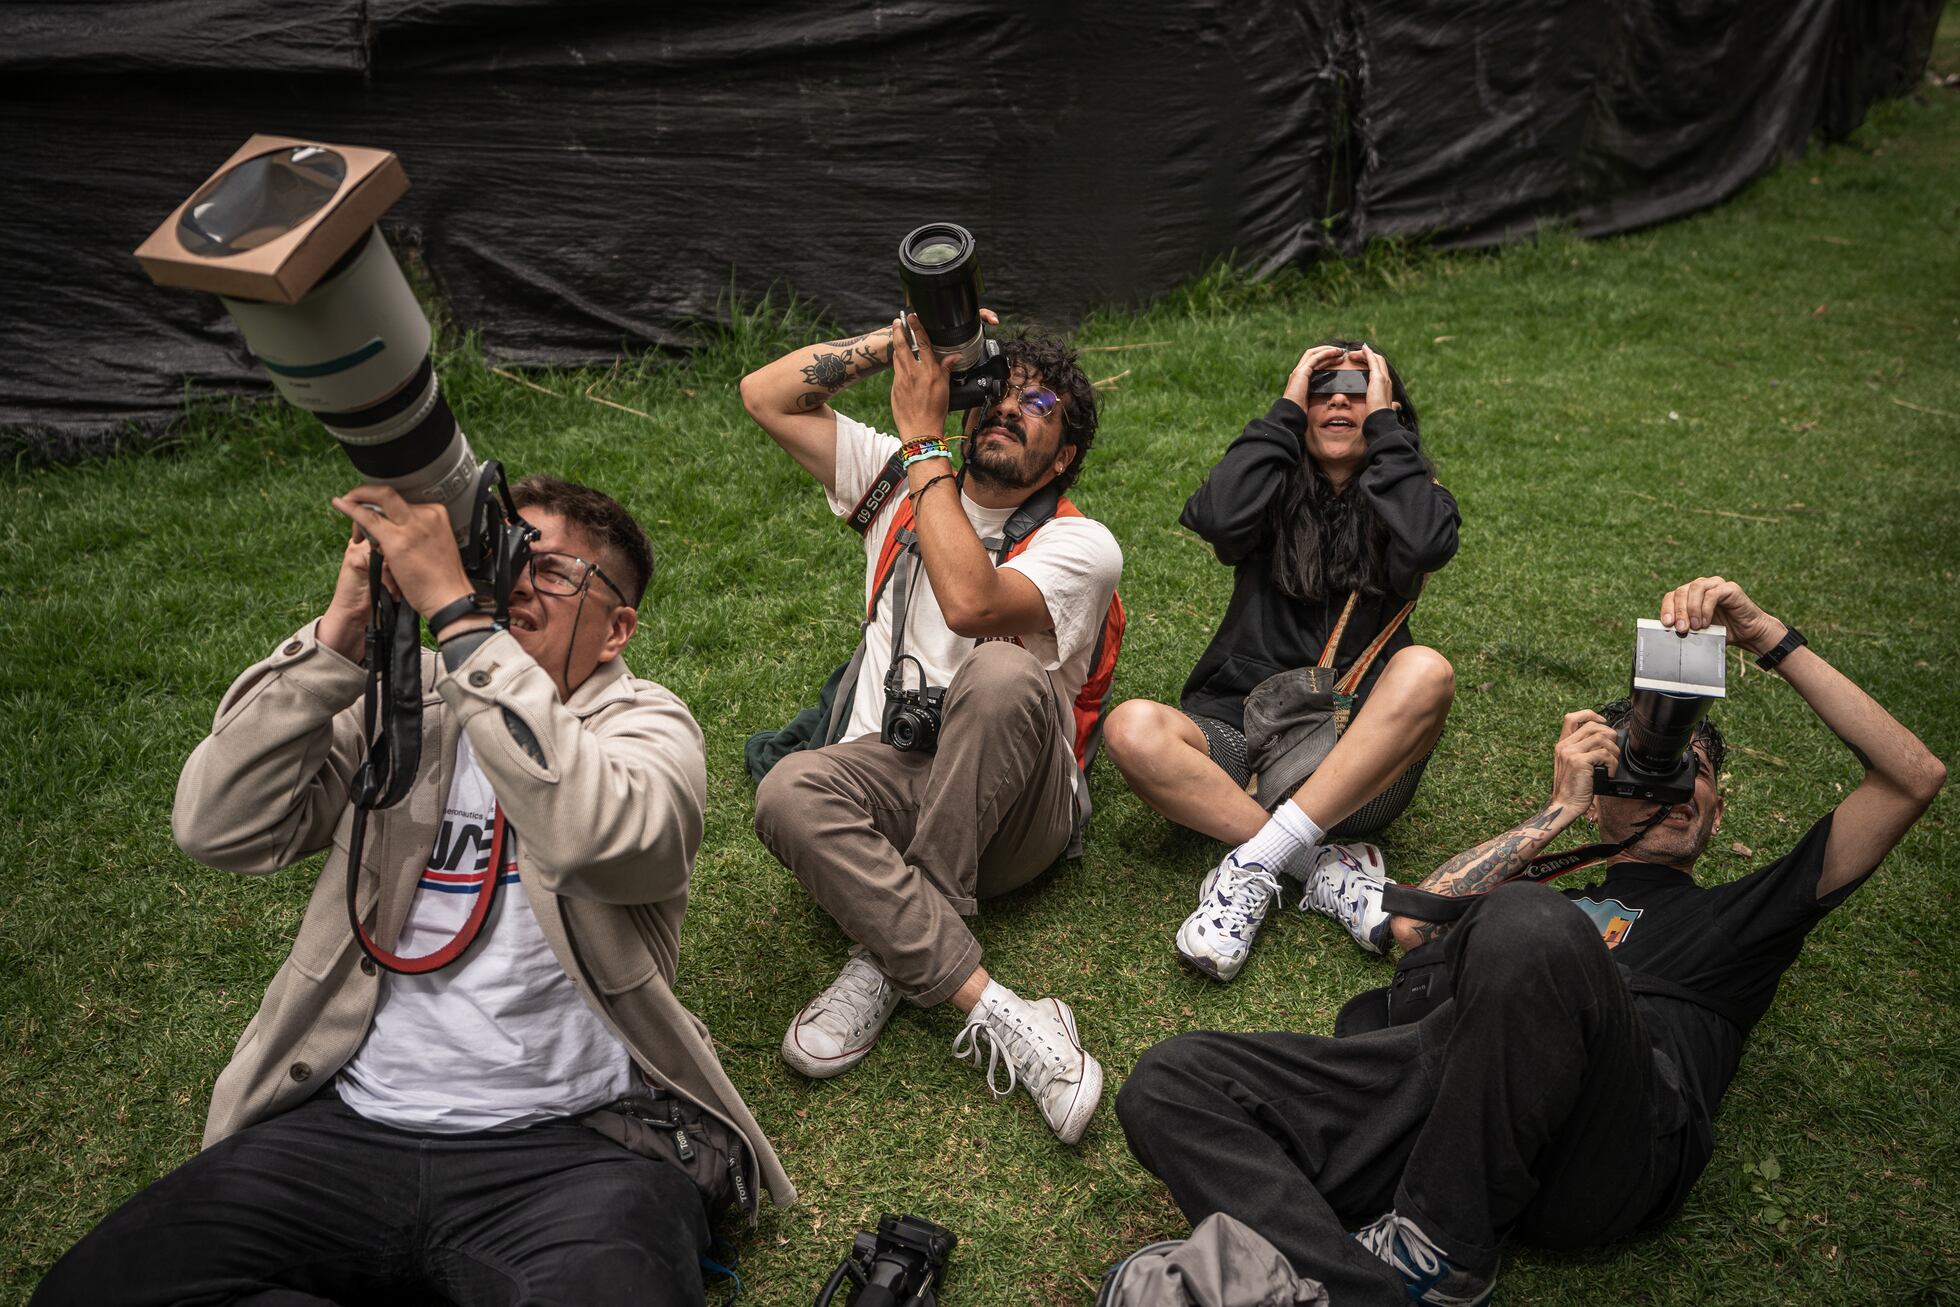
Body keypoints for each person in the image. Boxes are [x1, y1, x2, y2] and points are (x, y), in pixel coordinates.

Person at [35, 476, 792, 1307]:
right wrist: (341, 631)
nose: (515, 584)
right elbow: (218, 825)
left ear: (618, 629)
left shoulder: (648, 726)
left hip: (575, 1145)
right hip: (351, 1126)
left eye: (552, 571)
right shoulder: (403, 702)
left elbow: (599, 835)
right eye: (500, 558)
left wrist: (464, 626)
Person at [1115, 576, 1945, 1305]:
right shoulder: (1542, 887)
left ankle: (1441, 1247)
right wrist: (1553, 815)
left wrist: (1766, 636)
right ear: (1599, 791)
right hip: (1437, 1100)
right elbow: (1411, 923)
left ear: (1717, 812)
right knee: (1170, 1082)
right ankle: (1365, 1287)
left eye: (1693, 772)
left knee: (1530, 924)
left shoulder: (1735, 918)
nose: (1671, 783)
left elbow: (1912, 778)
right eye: (1644, 765)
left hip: (1605, 1142)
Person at [740, 311, 1122, 1144]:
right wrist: (901, 344)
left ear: (1063, 456)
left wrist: (921, 444)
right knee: (787, 790)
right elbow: (765, 395)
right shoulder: (899, 483)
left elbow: (972, 603)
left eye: (1040, 403)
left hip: (1017, 815)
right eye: (998, 389)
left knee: (1000, 670)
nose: (1010, 406)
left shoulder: (1083, 544)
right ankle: (994, 1001)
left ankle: (889, 945)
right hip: (894, 778)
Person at [1102, 339, 1458, 981]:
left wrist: (1386, 434)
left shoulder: (1413, 495)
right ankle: (1310, 864)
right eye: (1321, 389)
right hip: (1238, 735)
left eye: (1360, 389)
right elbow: (1216, 517)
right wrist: (1284, 409)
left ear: (1387, 407)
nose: (1340, 400)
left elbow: (1429, 543)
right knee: (1131, 727)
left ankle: (1253, 859)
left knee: (1427, 669)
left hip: (1352, 762)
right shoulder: (1267, 492)